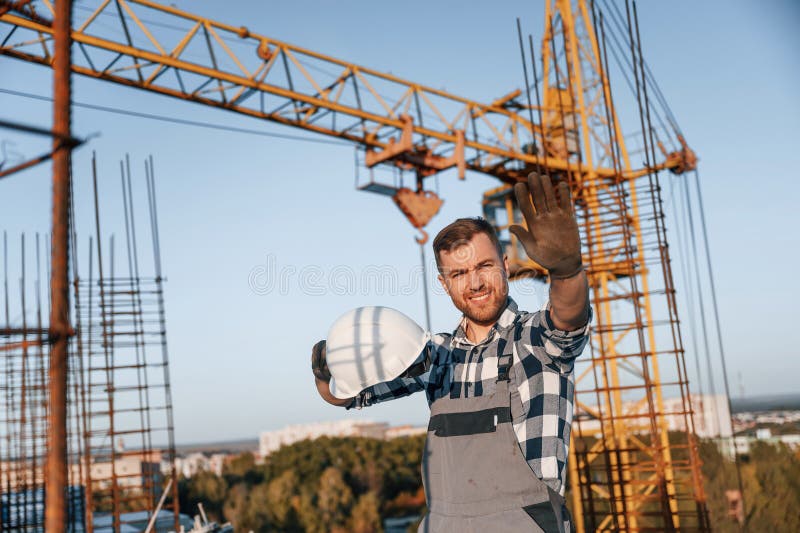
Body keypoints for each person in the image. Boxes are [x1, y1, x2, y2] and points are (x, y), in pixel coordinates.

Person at [312, 173, 591, 532]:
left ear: (505, 266)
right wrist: (327, 376)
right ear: (444, 285)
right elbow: (351, 395)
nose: (474, 283)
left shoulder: (534, 339)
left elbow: (568, 319)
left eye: (484, 266)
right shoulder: (435, 356)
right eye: (459, 273)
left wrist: (567, 272)